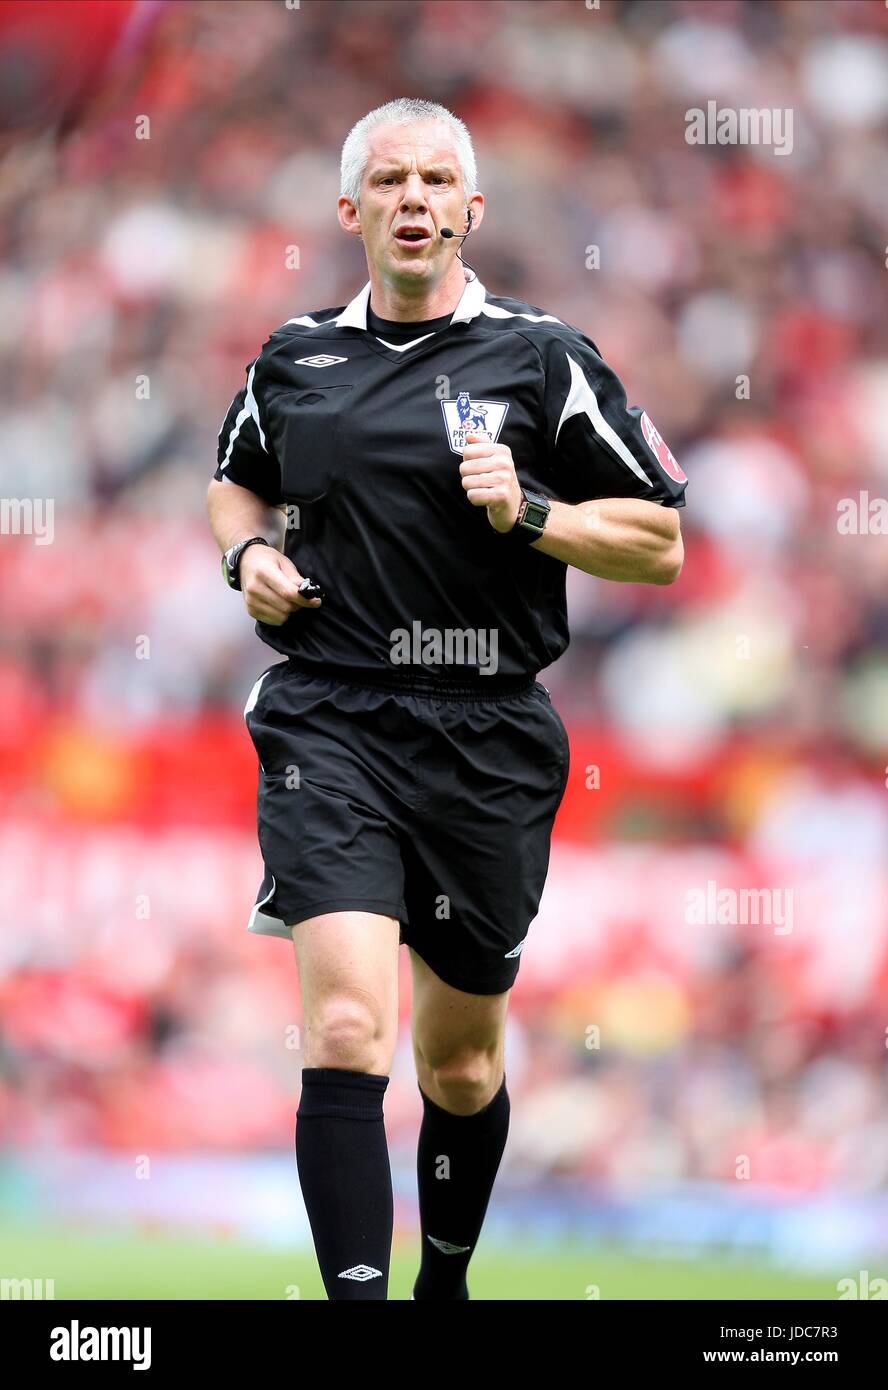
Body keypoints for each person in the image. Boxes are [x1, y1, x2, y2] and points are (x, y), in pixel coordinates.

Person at [206, 97, 686, 1301]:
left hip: (488, 734)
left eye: (434, 180)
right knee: (350, 1034)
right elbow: (234, 484)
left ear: (470, 210)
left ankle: (447, 1280)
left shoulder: (544, 358)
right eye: (389, 179)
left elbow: (661, 542)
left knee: (458, 1063)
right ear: (350, 208)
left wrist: (527, 510)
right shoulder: (293, 357)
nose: (412, 198)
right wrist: (246, 560)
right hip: (331, 717)